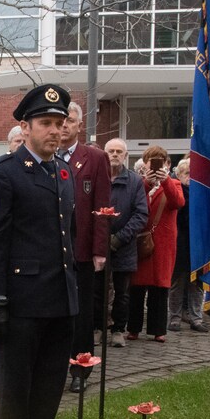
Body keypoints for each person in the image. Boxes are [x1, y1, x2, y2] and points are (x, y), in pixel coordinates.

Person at [0, 83, 77, 419]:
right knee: (17, 383)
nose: (55, 131)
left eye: (60, 123)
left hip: (58, 296)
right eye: (46, 123)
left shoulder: (62, 172)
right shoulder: (6, 174)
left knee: (50, 380)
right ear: (26, 125)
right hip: (21, 299)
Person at [58, 102, 110, 393]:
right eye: (59, 120)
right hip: (51, 251)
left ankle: (80, 370)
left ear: (80, 125)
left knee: (81, 314)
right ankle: (54, 367)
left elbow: (103, 206)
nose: (63, 125)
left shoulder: (95, 157)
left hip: (82, 251)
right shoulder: (44, 155)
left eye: (70, 120)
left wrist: (99, 249)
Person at [127, 145, 183, 343]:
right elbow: (132, 204)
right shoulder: (139, 184)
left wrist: (165, 180)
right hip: (142, 241)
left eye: (161, 160)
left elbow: (178, 202)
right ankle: (133, 328)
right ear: (145, 163)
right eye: (152, 160)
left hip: (163, 244)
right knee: (136, 288)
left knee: (159, 289)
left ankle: (158, 329)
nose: (156, 164)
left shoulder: (174, 183)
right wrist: (147, 183)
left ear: (167, 164)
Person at [97, 138, 148, 348]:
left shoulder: (135, 181)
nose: (115, 154)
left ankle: (118, 329)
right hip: (99, 246)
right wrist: (100, 237)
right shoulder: (98, 178)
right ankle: (98, 328)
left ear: (126, 156)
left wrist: (119, 238)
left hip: (124, 247)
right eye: (111, 151)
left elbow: (141, 214)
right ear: (104, 154)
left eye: (119, 151)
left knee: (122, 293)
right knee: (97, 291)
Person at [167, 157, 206, 333]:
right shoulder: (176, 191)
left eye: (194, 173)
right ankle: (174, 318)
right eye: (187, 173)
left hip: (198, 245)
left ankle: (196, 318)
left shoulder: (203, 193)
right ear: (179, 175)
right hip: (180, 243)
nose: (191, 177)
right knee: (177, 284)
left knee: (197, 285)